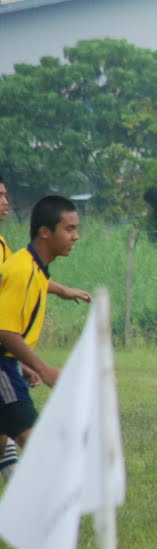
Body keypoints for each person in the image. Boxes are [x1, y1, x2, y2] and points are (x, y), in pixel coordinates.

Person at [0, 176, 91, 481]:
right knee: (33, 438)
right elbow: (4, 330)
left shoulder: (33, 266)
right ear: (44, 231)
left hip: (8, 361)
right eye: (69, 229)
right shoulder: (23, 269)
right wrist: (43, 367)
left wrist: (23, 363)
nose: (76, 236)